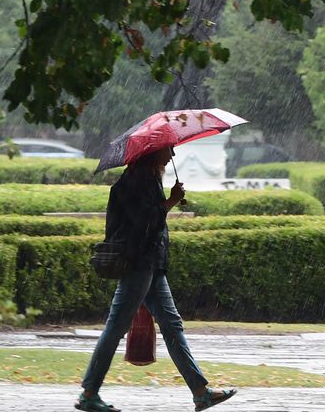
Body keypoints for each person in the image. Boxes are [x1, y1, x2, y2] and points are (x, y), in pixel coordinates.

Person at [76, 146, 237, 412]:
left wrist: (167, 202)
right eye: (169, 150)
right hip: (138, 265)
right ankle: (89, 393)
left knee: (172, 325)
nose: (172, 156)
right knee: (116, 327)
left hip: (151, 265)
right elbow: (145, 221)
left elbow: (151, 221)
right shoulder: (135, 182)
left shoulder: (148, 179)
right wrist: (171, 201)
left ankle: (200, 392)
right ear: (153, 153)